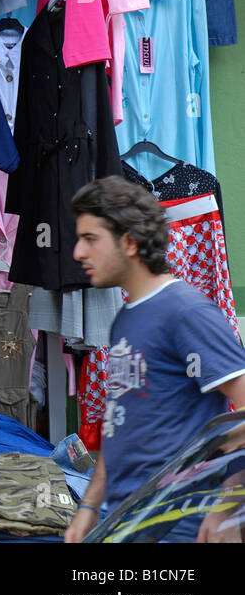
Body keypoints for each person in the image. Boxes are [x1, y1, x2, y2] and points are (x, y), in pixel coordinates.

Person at [63, 176, 245, 543]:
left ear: (129, 242)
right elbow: (119, 426)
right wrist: (89, 509)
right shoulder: (124, 320)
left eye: (90, 239)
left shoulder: (186, 311)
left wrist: (227, 509)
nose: (78, 253)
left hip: (182, 528)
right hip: (128, 521)